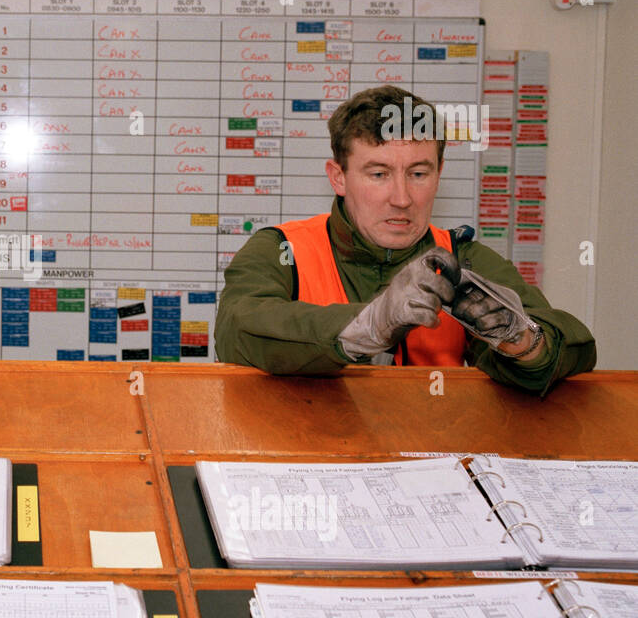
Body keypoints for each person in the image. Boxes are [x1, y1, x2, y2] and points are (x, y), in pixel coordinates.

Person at [213, 86, 595, 394]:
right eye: (378, 174)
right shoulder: (282, 250)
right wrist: (368, 326)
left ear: (439, 173)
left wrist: (525, 342)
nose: (402, 198)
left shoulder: (465, 259)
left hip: (434, 471)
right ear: (338, 177)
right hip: (308, 469)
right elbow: (236, 331)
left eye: (418, 173)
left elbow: (573, 350)